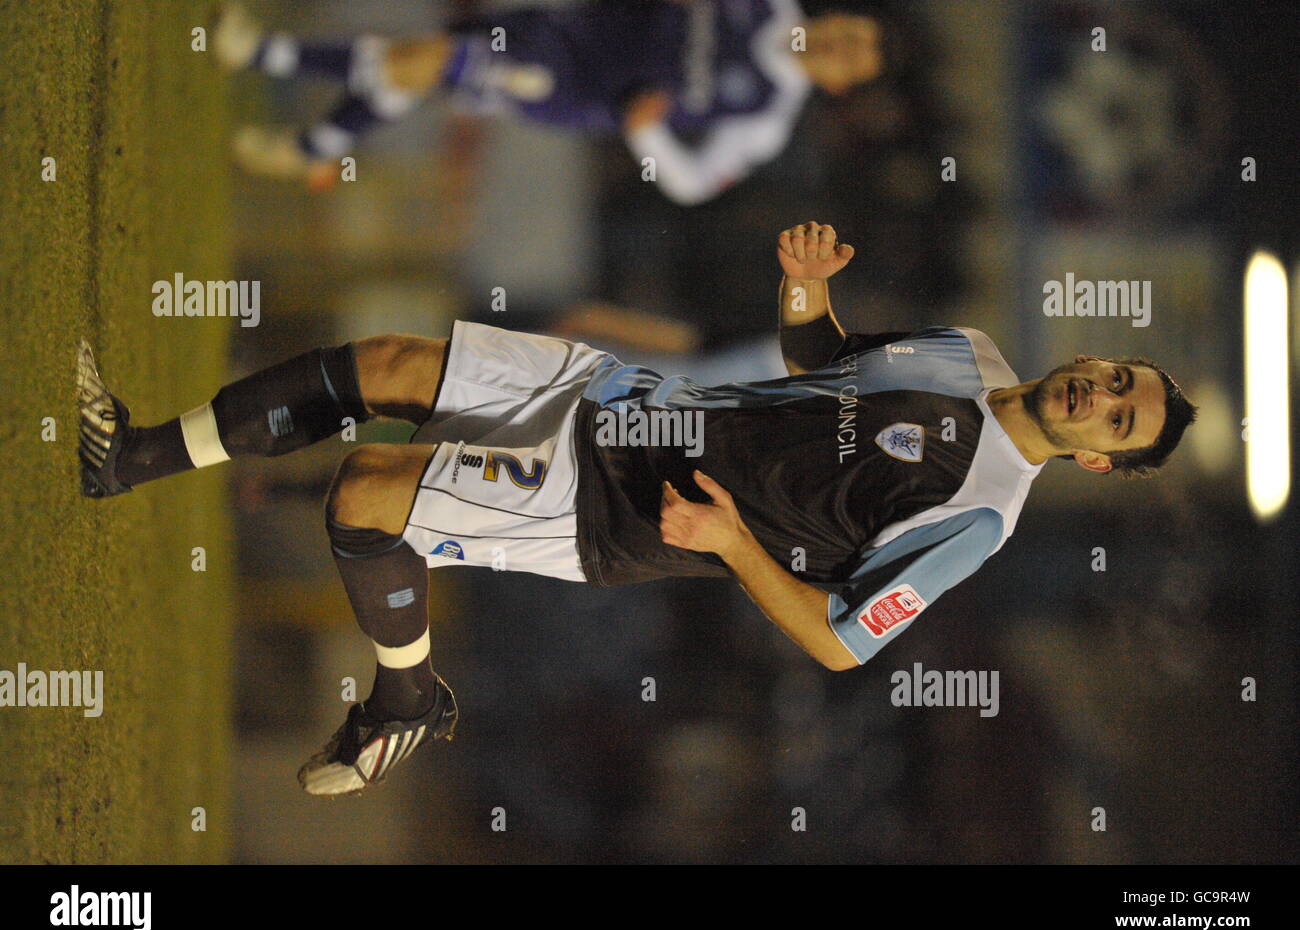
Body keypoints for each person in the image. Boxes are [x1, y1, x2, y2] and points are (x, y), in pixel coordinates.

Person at [76, 222, 1197, 795]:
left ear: (1099, 462)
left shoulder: (984, 513)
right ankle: (125, 458)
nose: (1099, 396)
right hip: (635, 398)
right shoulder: (974, 349)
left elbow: (840, 638)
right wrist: (805, 290)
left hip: (612, 507)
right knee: (388, 359)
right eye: (1116, 378)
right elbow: (823, 363)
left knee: (365, 493)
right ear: (1097, 356)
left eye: (1116, 419)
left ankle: (405, 694)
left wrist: (730, 541)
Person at [215, 1, 884, 203]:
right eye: (848, 31)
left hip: (570, 90)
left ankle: (258, 53)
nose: (837, 43)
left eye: (847, 56)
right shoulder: (767, 4)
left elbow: (694, 183)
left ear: (837, 85)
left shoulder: (765, 117)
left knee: (436, 61)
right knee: (419, 62)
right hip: (568, 27)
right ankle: (311, 148)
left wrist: (647, 134)